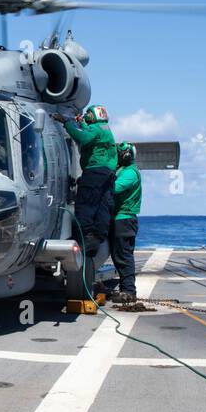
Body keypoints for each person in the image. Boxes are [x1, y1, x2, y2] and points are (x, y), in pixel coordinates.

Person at [53, 104, 117, 294]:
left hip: (94, 171)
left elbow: (83, 137)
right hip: (107, 173)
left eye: (88, 115)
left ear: (94, 115)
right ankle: (97, 237)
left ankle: (87, 238)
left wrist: (68, 123)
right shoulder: (106, 129)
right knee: (103, 207)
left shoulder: (95, 129)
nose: (86, 117)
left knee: (85, 206)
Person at [109, 141, 141, 302]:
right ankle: (125, 289)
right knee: (118, 255)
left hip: (124, 219)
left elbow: (114, 188)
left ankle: (129, 291)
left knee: (123, 256)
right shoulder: (123, 170)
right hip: (118, 218)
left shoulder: (130, 173)